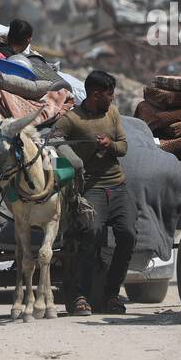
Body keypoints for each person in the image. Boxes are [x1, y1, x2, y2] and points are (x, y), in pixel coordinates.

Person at [49, 69, 135, 315]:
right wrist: (73, 160)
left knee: (128, 235)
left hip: (117, 185)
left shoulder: (113, 113)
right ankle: (80, 296)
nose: (113, 98)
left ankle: (111, 295)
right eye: (110, 94)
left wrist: (110, 146)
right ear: (96, 94)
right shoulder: (72, 119)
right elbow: (53, 141)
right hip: (91, 188)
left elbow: (124, 147)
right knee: (92, 234)